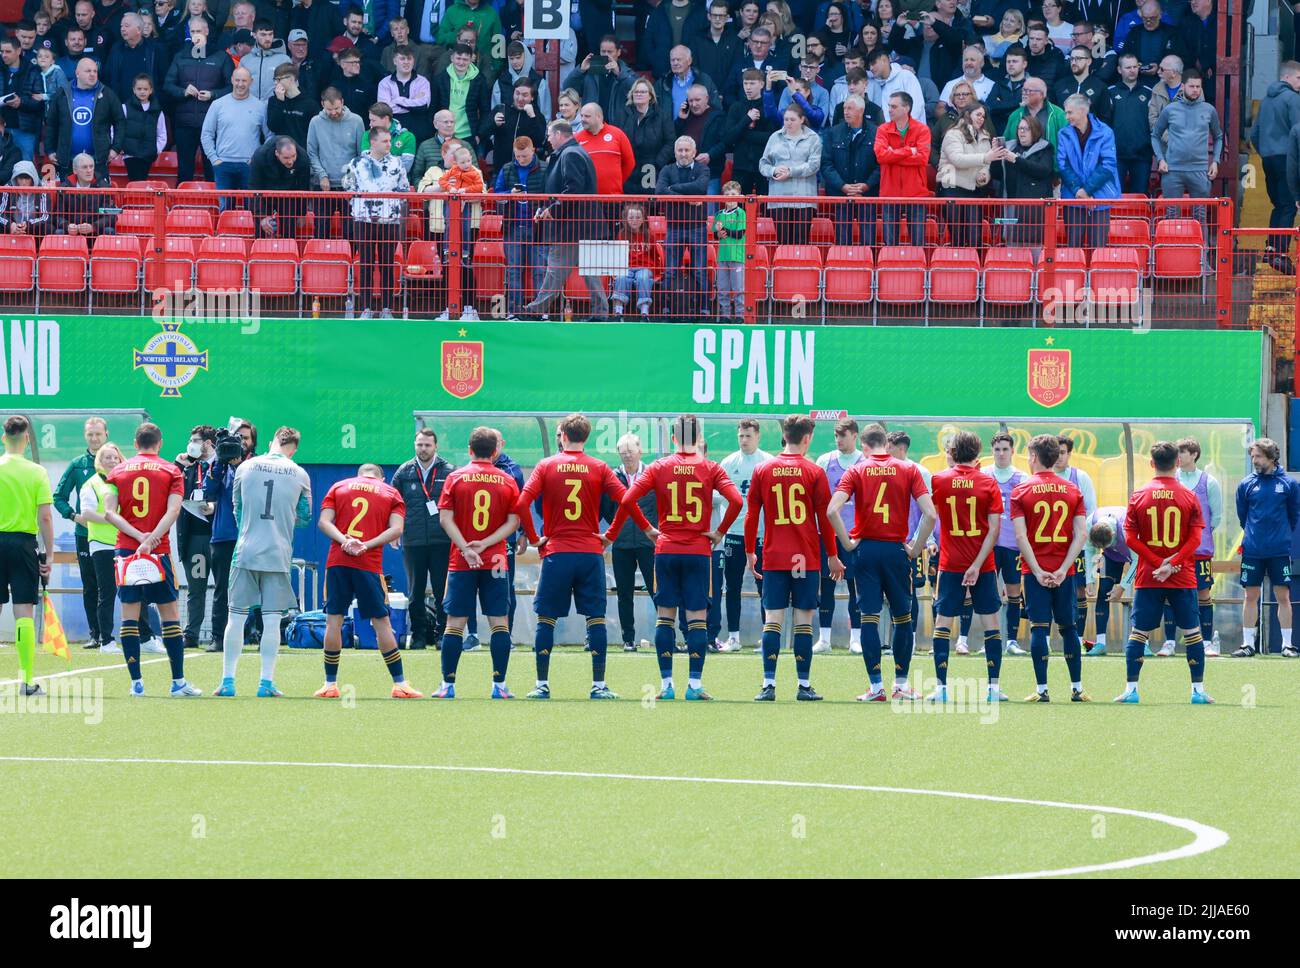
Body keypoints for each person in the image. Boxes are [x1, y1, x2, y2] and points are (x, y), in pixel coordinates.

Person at [606, 414, 742, 701]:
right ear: (699, 437)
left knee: (665, 619)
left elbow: (628, 499)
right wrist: (719, 532)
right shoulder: (710, 467)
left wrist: (648, 529)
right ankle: (694, 685)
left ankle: (667, 685)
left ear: (673, 438)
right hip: (697, 551)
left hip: (666, 550)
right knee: (697, 620)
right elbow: (738, 501)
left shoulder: (659, 466)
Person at [516, 413, 647, 701]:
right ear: (586, 438)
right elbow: (627, 499)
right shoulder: (598, 467)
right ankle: (598, 685)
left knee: (546, 618)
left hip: (557, 553)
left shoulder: (546, 465)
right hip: (589, 553)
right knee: (596, 618)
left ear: (562, 435)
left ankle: (542, 684)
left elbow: (522, 502)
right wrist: (612, 534)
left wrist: (535, 538)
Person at [826, 423, 934, 701]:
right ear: (886, 444)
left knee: (870, 618)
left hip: (867, 552)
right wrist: (914, 548)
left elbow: (832, 510)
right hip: (897, 551)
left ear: (863, 446)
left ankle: (876, 688)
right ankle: (901, 684)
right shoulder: (908, 469)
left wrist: (849, 543)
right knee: (902, 618)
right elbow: (930, 515)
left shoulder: (856, 470)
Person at [747, 414, 845, 702]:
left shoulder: (763, 469)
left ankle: (768, 685)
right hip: (805, 557)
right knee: (803, 621)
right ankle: (803, 685)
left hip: (775, 556)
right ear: (807, 438)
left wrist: (750, 551)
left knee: (773, 621)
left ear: (784, 436)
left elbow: (753, 513)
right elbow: (825, 519)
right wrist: (833, 556)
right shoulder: (814, 472)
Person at [103, 423, 201, 697]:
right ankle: (178, 682)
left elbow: (110, 513)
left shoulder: (117, 472)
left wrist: (138, 537)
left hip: (126, 550)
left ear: (135, 444)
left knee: (129, 617)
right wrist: (152, 539)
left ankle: (136, 684)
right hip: (158, 551)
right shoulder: (172, 471)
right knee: (170, 615)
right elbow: (173, 510)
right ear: (159, 444)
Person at [211, 427, 311, 698]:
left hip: (245, 550)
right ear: (294, 447)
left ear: (272, 442)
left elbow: (237, 509)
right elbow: (305, 517)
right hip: (277, 553)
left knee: (235, 616)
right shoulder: (300, 474)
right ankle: (265, 682)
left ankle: (228, 681)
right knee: (270, 620)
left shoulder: (246, 467)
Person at [1114, 441, 1212, 704]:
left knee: (1139, 633)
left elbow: (1130, 537)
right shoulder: (1189, 496)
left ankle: (1131, 690)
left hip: (1149, 574)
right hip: (1181, 575)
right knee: (1192, 632)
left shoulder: (1139, 495)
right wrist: (1172, 562)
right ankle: (1198, 691)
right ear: (1177, 463)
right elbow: (1195, 540)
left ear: (1151, 463)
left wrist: (1157, 562)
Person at [430, 427, 522, 699]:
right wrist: (485, 543)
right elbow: (514, 521)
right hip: (494, 558)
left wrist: (467, 548)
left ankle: (448, 686)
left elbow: (445, 518)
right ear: (495, 452)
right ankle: (500, 686)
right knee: (499, 623)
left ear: (470, 450)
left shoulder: (455, 477)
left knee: (455, 623)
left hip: (462, 560)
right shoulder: (506, 480)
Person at [315, 464, 420, 698]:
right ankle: (400, 684)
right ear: (382, 477)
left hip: (338, 562)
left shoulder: (339, 487)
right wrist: (366, 544)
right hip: (368, 564)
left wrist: (345, 541)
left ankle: (329, 684)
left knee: (334, 621)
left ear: (360, 474)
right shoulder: (390, 492)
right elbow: (397, 529)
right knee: (381, 622)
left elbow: (323, 522)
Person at [926, 431, 1007, 702]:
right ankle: (993, 689)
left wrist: (916, 546)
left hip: (950, 565)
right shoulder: (988, 483)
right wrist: (976, 564)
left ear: (952, 452)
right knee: (991, 624)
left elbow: (929, 516)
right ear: (978, 454)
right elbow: (994, 530)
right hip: (983, 566)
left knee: (942, 624)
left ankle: (941, 689)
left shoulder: (939, 480)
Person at [1010, 434, 1089, 703]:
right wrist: (1063, 568)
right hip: (1064, 572)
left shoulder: (1021, 491)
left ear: (1033, 457)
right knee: (1069, 629)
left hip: (1035, 573)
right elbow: (1081, 535)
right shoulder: (1073, 490)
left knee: (1039, 628)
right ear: (1056, 457)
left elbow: (1021, 538)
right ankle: (1077, 688)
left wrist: (1038, 570)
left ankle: (1042, 690)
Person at [522, 120, 608, 320]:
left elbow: (572, 190)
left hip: (571, 227)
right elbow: (565, 190)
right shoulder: (574, 152)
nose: (548, 140)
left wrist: (553, 210)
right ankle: (601, 313)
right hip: (584, 225)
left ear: (560, 134)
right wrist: (547, 208)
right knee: (590, 272)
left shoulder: (570, 155)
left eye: (550, 135)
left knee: (556, 269)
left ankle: (536, 310)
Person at [0, 415, 53, 696]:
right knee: (23, 611)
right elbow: (45, 517)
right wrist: (50, 555)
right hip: (23, 544)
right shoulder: (36, 471)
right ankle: (27, 680)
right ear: (27, 439)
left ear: (3, 438)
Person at [1233, 437, 1300, 658]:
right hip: (1252, 550)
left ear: (1272, 457)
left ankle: (1287, 645)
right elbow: (1243, 517)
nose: (1254, 460)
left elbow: (1293, 515)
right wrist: (1255, 534)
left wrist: (1279, 536)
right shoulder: (1246, 484)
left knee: (1283, 595)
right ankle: (1247, 644)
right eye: (1252, 456)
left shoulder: (1290, 485)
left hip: (1279, 551)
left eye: (1259, 456)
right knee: (1250, 595)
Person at [711, 419, 772, 652]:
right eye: (741, 436)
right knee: (732, 586)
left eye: (748, 436)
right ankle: (734, 637)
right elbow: (716, 495)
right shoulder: (728, 463)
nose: (744, 440)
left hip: (760, 534)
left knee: (764, 586)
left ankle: (768, 635)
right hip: (735, 534)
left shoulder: (768, 462)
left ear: (758, 436)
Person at [52, 416, 108, 650]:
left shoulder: (116, 462)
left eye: (98, 434)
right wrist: (74, 516)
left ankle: (129, 633)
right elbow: (58, 497)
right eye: (90, 434)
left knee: (120, 585)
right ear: (86, 436)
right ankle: (96, 635)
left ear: (107, 435)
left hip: (115, 537)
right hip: (85, 536)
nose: (94, 438)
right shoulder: (77, 465)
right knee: (91, 585)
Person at [1163, 437, 1222, 657]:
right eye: (1177, 453)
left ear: (1194, 454)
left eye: (1183, 452)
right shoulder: (1171, 480)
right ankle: (1169, 642)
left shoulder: (1209, 482)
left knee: (1203, 593)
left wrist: (1199, 537)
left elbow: (1216, 517)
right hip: (1172, 550)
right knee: (1170, 593)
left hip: (1199, 551)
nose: (1179, 457)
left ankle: (1206, 642)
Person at [601, 432, 659, 652]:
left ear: (640, 451)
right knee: (624, 593)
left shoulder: (652, 474)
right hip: (622, 545)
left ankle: (666, 636)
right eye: (623, 453)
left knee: (657, 591)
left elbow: (660, 504)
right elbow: (607, 508)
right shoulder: (613, 477)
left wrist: (652, 527)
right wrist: (621, 527)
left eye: (630, 452)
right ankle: (628, 639)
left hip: (648, 543)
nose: (627, 457)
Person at [344, 124, 409, 319]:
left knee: (388, 263)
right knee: (365, 263)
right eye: (385, 141)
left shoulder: (397, 163)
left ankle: (387, 308)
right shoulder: (356, 163)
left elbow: (404, 189)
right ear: (373, 142)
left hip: (389, 219)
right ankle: (366, 308)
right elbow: (348, 190)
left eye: (389, 141)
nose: (389, 144)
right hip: (363, 219)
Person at [162, 17, 232, 183]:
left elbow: (232, 87)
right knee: (184, 170)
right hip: (184, 124)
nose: (196, 35)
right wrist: (183, 91)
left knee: (212, 170)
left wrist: (213, 94)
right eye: (192, 32)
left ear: (206, 31)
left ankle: (215, 207)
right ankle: (181, 208)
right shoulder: (180, 56)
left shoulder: (221, 56)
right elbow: (167, 85)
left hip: (212, 124)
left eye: (199, 31)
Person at [1151, 68, 1221, 227]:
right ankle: (1171, 251)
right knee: (1171, 219)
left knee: (1200, 218)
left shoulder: (1209, 110)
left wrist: (1215, 161)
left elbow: (1218, 137)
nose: (1195, 90)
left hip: (1199, 170)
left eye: (1198, 86)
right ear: (1183, 87)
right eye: (1192, 86)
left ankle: (1201, 252)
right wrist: (1161, 159)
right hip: (1173, 170)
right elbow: (1155, 135)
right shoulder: (1170, 110)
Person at [1252, 61, 1300, 272]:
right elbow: (1298, 131)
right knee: (1289, 205)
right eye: (1299, 78)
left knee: (1279, 205)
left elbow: (1254, 134)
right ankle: (1280, 253)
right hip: (1287, 158)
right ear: (1287, 77)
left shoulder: (1265, 102)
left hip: (1268, 157)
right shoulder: (1292, 99)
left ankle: (1271, 250)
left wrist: (1265, 152)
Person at [172, 425, 216, 650]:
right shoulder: (189, 468)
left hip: (219, 538)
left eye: (196, 440)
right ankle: (191, 635)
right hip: (194, 539)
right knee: (196, 588)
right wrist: (179, 464)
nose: (192, 444)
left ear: (208, 443)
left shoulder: (223, 465)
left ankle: (221, 634)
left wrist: (215, 506)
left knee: (223, 588)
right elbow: (168, 486)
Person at [656, 134, 710, 318]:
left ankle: (704, 309)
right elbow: (660, 191)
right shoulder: (666, 169)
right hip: (674, 227)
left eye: (687, 150)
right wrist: (688, 197)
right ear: (675, 152)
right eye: (680, 150)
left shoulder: (704, 169)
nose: (683, 153)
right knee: (670, 270)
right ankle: (665, 308)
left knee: (699, 271)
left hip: (697, 227)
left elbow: (701, 188)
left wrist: (674, 189)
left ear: (694, 152)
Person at [983, 432, 1027, 656]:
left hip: (1012, 546)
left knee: (1013, 593)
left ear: (1012, 451)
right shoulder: (983, 475)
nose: (1001, 453)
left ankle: (1012, 640)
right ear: (992, 451)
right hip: (988, 545)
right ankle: (988, 641)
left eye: (1005, 449)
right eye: (997, 449)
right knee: (988, 594)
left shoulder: (1022, 478)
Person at [937, 99, 1003, 247]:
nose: (981, 118)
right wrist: (985, 158)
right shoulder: (953, 134)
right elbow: (957, 159)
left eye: (983, 116)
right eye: (978, 114)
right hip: (951, 187)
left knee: (975, 236)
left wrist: (984, 176)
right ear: (967, 114)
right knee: (957, 236)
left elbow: (985, 165)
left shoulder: (985, 136)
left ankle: (975, 267)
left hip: (973, 189)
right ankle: (959, 267)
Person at [45, 57, 123, 179]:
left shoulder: (108, 94)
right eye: (88, 71)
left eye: (95, 71)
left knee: (98, 198)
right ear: (77, 73)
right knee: (68, 198)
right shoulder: (62, 94)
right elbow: (51, 124)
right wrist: (50, 149)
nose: (92, 74)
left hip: (97, 161)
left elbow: (120, 122)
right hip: (68, 161)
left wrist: (115, 148)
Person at [1057, 93, 1119, 249]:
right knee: (1073, 246)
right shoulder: (1063, 133)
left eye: (1069, 112)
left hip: (1100, 195)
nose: (1066, 117)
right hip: (1073, 195)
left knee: (1098, 246)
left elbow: (1108, 164)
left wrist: (1087, 190)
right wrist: (1079, 191)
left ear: (1083, 110)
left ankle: (1096, 274)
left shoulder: (1105, 132)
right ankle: (1074, 274)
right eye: (1066, 112)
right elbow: (1062, 164)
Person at [201, 65, 270, 199]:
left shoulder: (261, 107)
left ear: (251, 82)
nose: (240, 84)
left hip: (250, 165)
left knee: (251, 210)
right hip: (223, 165)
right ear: (232, 80)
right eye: (237, 80)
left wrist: (257, 158)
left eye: (244, 81)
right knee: (225, 211)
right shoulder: (217, 104)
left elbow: (269, 136)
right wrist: (214, 159)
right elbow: (206, 134)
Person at [821, 94, 879, 247]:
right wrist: (843, 186)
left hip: (867, 194)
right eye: (845, 108)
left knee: (868, 240)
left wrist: (866, 185)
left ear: (861, 110)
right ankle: (843, 268)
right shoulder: (833, 132)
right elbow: (826, 164)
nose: (845, 111)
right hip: (841, 194)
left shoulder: (877, 132)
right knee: (842, 241)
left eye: (850, 108)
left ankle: (869, 268)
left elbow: (881, 165)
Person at [874, 90, 929, 246]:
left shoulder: (922, 129)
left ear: (906, 108)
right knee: (890, 243)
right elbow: (881, 157)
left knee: (918, 242)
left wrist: (893, 154)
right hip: (889, 192)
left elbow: (923, 158)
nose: (890, 110)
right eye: (889, 106)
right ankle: (890, 269)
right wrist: (908, 150)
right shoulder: (883, 129)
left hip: (916, 192)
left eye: (894, 106)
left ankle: (918, 268)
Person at [759, 103, 820, 245]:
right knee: (783, 241)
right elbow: (763, 164)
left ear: (802, 119)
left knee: (801, 242)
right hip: (779, 199)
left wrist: (790, 172)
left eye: (792, 119)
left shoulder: (813, 138)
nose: (788, 123)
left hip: (804, 199)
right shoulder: (775, 137)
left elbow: (814, 165)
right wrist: (773, 170)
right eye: (786, 119)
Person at [1000, 113, 1055, 248]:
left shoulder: (1045, 148)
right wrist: (997, 152)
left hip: (1033, 209)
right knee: (1011, 243)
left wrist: (1017, 160)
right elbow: (997, 173)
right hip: (1011, 204)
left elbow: (1043, 170)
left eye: (1026, 129)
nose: (1022, 132)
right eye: (1020, 128)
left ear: (1035, 130)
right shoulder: (1010, 147)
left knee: (1033, 245)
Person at [614, 77, 676, 193]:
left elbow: (670, 142)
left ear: (650, 96)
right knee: (629, 204)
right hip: (629, 168)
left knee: (649, 204)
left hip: (651, 168)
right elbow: (617, 139)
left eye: (643, 92)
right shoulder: (623, 115)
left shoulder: (662, 116)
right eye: (636, 92)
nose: (639, 94)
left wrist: (658, 162)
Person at [724, 68, 780, 194]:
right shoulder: (736, 107)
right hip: (741, 166)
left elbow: (771, 137)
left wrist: (743, 134)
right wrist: (746, 119)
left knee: (765, 208)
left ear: (761, 84)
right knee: (738, 208)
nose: (748, 87)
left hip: (763, 166)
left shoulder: (768, 108)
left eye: (752, 83)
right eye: (745, 83)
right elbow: (728, 138)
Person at [1109, 52, 1155, 195]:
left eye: (1135, 66)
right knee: (1116, 196)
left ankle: (1140, 219)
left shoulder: (1149, 92)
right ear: (1119, 70)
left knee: (1141, 196)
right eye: (1128, 67)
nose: (1132, 70)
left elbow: (1154, 122)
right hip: (1116, 154)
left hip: (1142, 154)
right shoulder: (1109, 92)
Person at [430, 42, 490, 152]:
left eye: (465, 59)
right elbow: (433, 108)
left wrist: (479, 135)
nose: (461, 62)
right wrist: (434, 132)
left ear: (471, 59)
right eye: (458, 58)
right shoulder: (440, 79)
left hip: (468, 135)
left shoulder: (479, 80)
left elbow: (485, 110)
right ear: (452, 58)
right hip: (444, 134)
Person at [563, 34, 637, 121]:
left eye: (610, 52)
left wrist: (619, 74)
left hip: (617, 126)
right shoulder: (589, 73)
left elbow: (636, 91)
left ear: (618, 52)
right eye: (603, 51)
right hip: (592, 124)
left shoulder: (627, 72)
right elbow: (568, 88)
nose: (606, 55)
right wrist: (580, 70)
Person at [609, 200, 663, 318]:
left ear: (643, 219)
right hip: (627, 267)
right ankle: (618, 309)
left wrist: (656, 272)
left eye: (638, 217)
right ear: (626, 219)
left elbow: (655, 255)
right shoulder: (622, 235)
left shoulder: (649, 235)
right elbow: (618, 255)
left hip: (644, 267)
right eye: (631, 217)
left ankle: (644, 309)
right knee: (622, 277)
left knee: (642, 277)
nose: (635, 220)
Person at [481, 76, 545, 169]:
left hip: (525, 169)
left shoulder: (537, 115)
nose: (520, 98)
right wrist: (493, 123)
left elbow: (539, 141)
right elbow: (483, 133)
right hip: (501, 168)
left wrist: (532, 117)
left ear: (532, 97)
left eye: (525, 95)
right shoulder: (501, 109)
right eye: (517, 93)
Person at [119, 72, 164, 182]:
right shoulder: (125, 107)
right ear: (134, 90)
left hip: (148, 155)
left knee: (142, 183)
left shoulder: (157, 111)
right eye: (139, 89)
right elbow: (116, 128)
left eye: (145, 89)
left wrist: (156, 149)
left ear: (151, 90)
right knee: (135, 182)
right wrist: (118, 146)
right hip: (130, 154)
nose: (142, 91)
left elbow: (162, 134)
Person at [712, 181, 746, 321]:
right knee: (723, 288)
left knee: (738, 289)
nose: (730, 197)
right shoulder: (719, 214)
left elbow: (739, 234)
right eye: (727, 194)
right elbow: (715, 234)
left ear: (739, 196)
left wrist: (723, 230)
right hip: (722, 256)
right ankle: (725, 315)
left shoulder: (740, 213)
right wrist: (718, 233)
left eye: (733, 194)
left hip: (737, 257)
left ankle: (740, 315)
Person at [1001, 76, 1065, 148]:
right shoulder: (1015, 115)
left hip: (1048, 158)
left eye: (1029, 91)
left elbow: (1067, 145)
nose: (1024, 93)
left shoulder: (1059, 115)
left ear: (1042, 94)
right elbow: (1006, 143)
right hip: (1020, 158)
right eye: (1023, 90)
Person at [1055, 44, 1112, 123]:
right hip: (1064, 133)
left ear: (1089, 61)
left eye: (1078, 59)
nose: (1074, 62)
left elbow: (1105, 118)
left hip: (1091, 134)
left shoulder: (1100, 87)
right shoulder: (1059, 85)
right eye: (1072, 59)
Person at [267, 63, 314, 149]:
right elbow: (273, 126)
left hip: (302, 151)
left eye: (279, 79)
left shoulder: (309, 103)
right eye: (275, 79)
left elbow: (314, 132)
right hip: (281, 151)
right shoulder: (273, 101)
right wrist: (280, 102)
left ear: (291, 79)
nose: (275, 83)